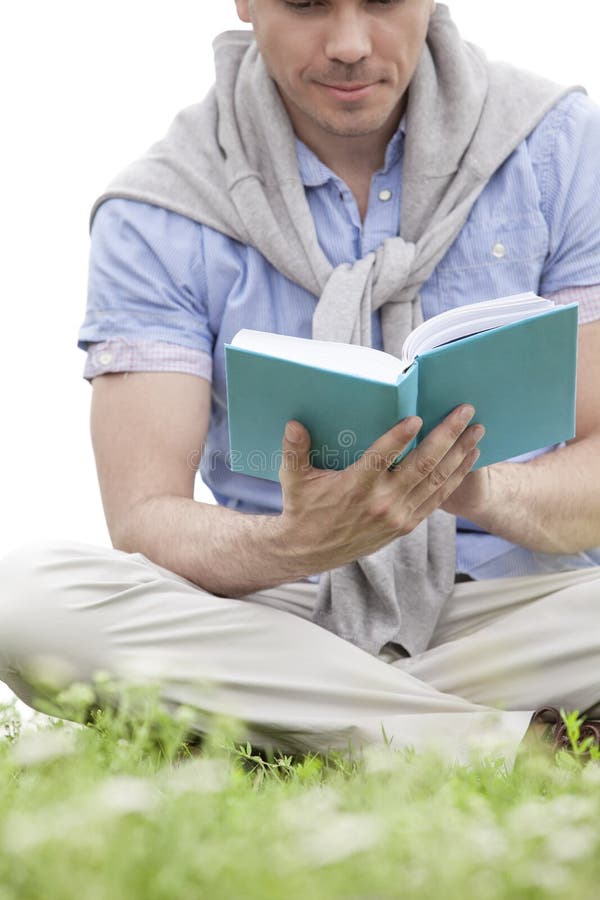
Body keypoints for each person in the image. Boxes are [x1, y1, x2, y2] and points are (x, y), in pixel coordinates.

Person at [1, 0, 600, 767]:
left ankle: (288, 727)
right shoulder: (159, 207)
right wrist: (294, 543)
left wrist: (480, 491)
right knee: (23, 599)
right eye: (308, 3)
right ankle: (511, 745)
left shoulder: (560, 147)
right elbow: (145, 516)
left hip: (513, 604)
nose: (349, 44)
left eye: (381, 0)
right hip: (276, 611)